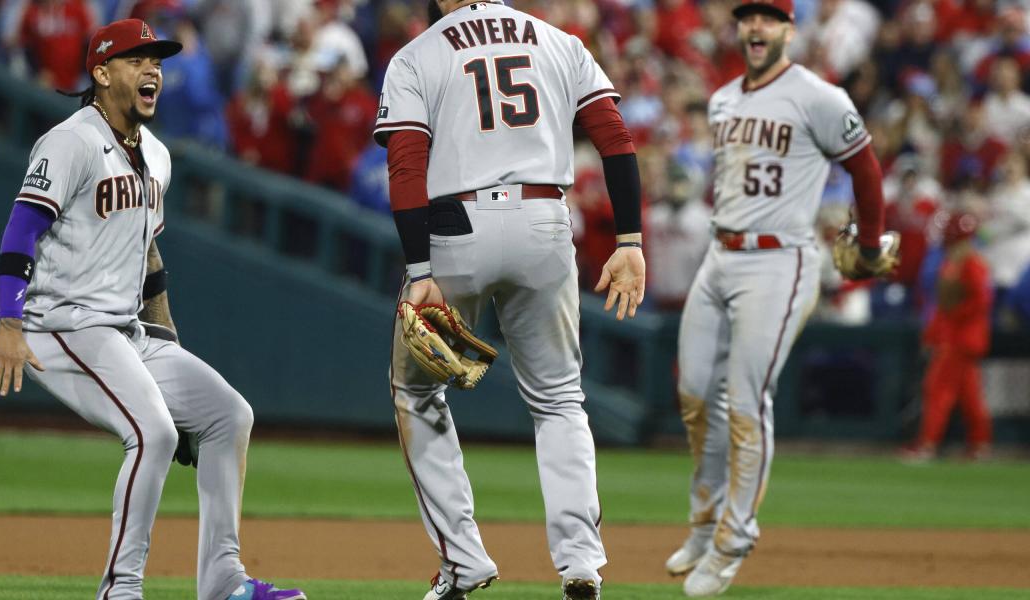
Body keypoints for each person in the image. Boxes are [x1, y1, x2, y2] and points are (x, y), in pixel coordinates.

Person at [0, 19, 306, 600]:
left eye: (156, 59)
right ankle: (120, 591)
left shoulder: (156, 155)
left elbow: (149, 258)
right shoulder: (71, 141)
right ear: (102, 73)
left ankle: (224, 581)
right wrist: (9, 322)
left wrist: (169, 349)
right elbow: (18, 232)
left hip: (127, 332)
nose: (152, 69)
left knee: (229, 415)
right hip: (60, 328)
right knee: (153, 432)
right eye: (135, 59)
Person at [374, 1, 646, 599]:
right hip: (545, 223)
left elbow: (405, 167)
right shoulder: (559, 41)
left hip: (456, 230)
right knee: (559, 399)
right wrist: (629, 239)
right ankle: (581, 564)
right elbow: (615, 139)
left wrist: (419, 267)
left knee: (416, 391)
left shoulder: (418, 54)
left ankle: (462, 562)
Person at [668, 0, 887, 596]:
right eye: (747, 17)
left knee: (745, 401)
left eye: (768, 17)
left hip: (779, 259)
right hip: (721, 253)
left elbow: (865, 170)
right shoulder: (721, 100)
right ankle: (705, 520)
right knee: (693, 393)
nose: (756, 27)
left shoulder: (819, 95)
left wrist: (868, 245)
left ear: (790, 28)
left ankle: (733, 541)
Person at [904, 212, 993, 462]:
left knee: (938, 390)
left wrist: (951, 321)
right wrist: (933, 333)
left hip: (963, 339)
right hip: (953, 336)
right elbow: (943, 307)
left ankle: (928, 444)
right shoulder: (951, 262)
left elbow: (980, 302)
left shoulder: (973, 263)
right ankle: (979, 444)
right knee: (969, 395)